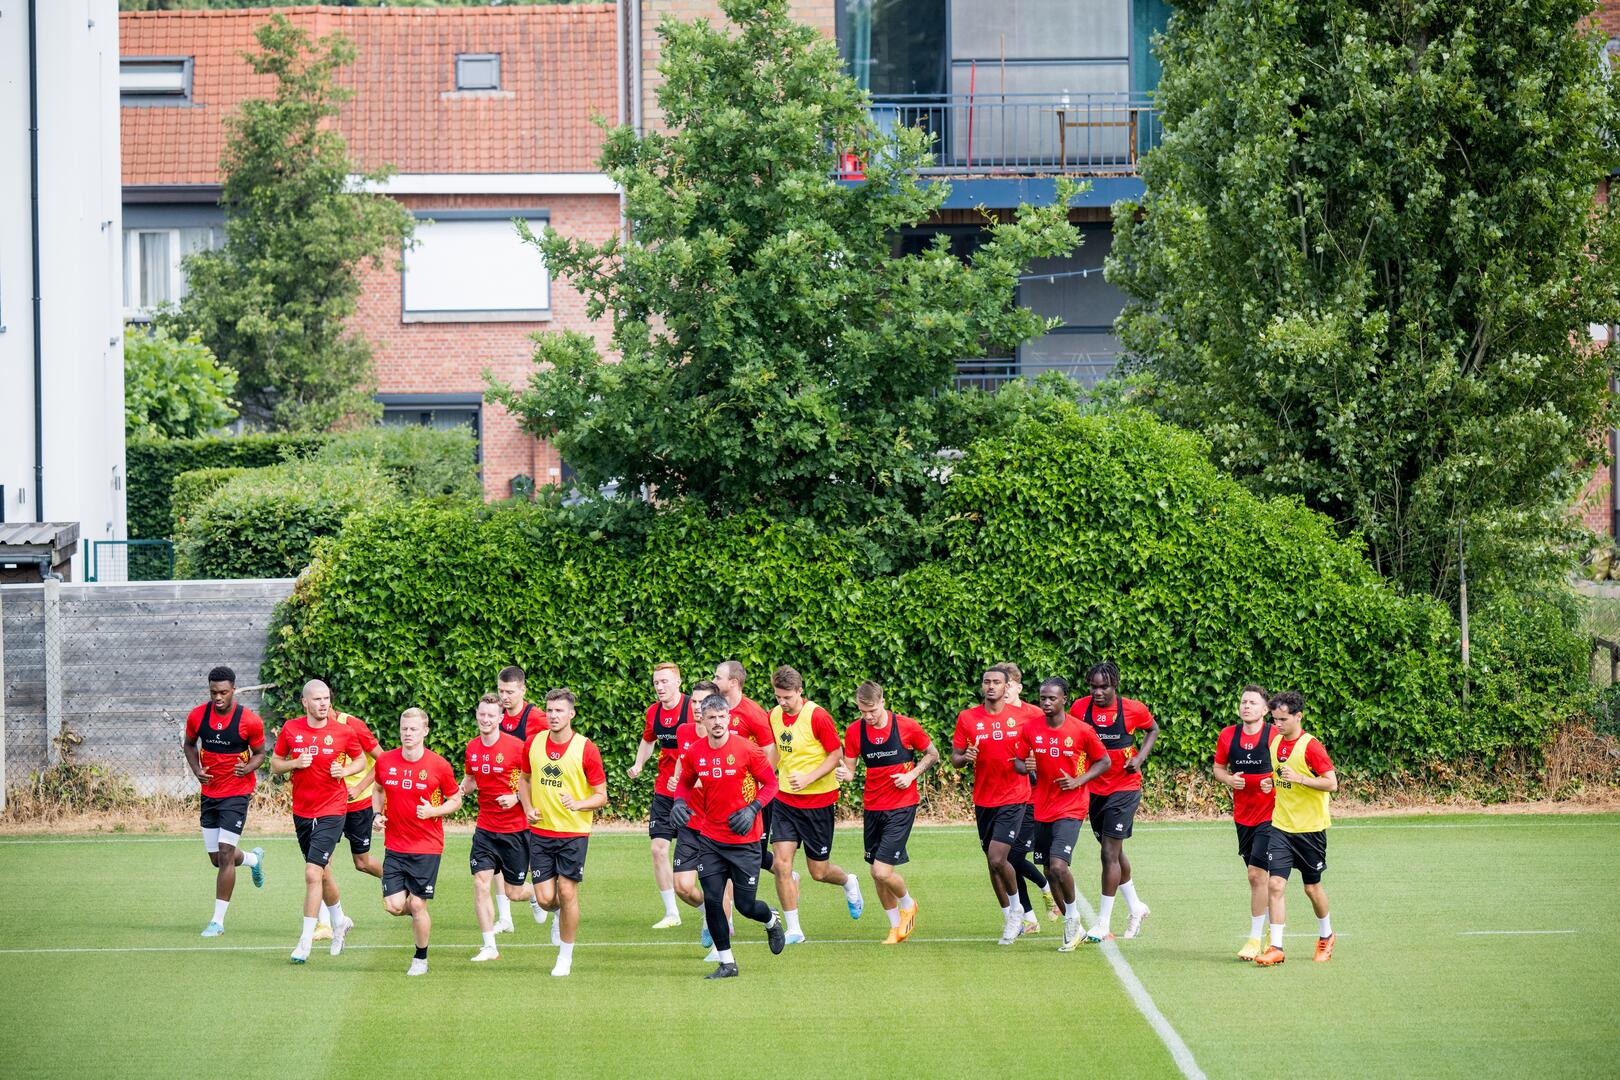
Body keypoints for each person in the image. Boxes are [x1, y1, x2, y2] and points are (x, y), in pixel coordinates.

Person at [671, 694, 787, 978]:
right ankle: (727, 962)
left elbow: (771, 783)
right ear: (704, 720)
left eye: (722, 717)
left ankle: (770, 919)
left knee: (746, 906)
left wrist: (753, 809)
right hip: (710, 839)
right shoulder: (695, 752)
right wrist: (678, 802)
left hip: (745, 841)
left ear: (728, 718)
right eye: (711, 718)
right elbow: (684, 782)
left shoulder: (747, 750)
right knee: (712, 900)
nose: (717, 722)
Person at [269, 679, 368, 964]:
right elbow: (275, 765)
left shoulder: (343, 731)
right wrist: (294, 763)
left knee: (313, 873)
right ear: (305, 702)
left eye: (326, 698)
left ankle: (304, 942)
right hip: (302, 810)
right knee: (323, 873)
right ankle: (340, 920)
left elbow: (360, 761)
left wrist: (345, 768)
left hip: (333, 809)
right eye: (317, 699)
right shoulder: (291, 729)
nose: (323, 704)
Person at [1010, 677, 1111, 951]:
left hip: (1072, 807)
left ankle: (1072, 917)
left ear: (1064, 699)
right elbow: (1018, 762)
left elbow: (1104, 760)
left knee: (1058, 866)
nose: (1046, 702)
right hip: (1041, 808)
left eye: (1052, 698)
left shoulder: (1082, 730)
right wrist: (1025, 765)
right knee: (1048, 870)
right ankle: (1073, 925)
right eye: (1042, 697)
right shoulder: (1030, 728)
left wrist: (1079, 781)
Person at [834, 681, 938, 944]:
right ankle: (895, 927)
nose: (868, 716)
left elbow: (932, 754)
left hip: (902, 806)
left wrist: (912, 775)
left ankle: (908, 904)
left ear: (882, 702)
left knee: (882, 871)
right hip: (872, 807)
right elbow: (850, 771)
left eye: (872, 710)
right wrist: (844, 774)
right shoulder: (855, 732)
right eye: (862, 711)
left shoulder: (906, 726)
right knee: (874, 872)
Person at [767, 665, 863, 944]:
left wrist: (808, 778)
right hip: (784, 801)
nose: (782, 703)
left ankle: (848, 882)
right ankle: (794, 928)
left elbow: (836, 755)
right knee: (782, 865)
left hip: (818, 803)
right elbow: (775, 750)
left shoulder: (817, 716)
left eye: (787, 697)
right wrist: (765, 780)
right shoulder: (774, 715)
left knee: (818, 871)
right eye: (778, 697)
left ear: (800, 691)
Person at [518, 688, 608, 977]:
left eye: (559, 711)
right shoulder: (533, 744)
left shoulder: (585, 748)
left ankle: (565, 956)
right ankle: (562, 914)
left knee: (567, 891)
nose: (553, 715)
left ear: (572, 714)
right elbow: (524, 779)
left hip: (573, 832)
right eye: (550, 710)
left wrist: (578, 804)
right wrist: (528, 806)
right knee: (545, 899)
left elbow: (601, 796)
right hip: (541, 832)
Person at [1069, 661, 1159, 942]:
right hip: (1093, 789)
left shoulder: (1133, 709)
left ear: (1115, 685)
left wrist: (1140, 757)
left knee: (1108, 853)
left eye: (1103, 687)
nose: (1097, 692)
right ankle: (1136, 907)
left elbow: (1152, 729)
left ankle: (1102, 922)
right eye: (1093, 687)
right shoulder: (1080, 709)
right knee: (1114, 852)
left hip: (1124, 788)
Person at [372, 708, 461, 975]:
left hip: (426, 847)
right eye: (404, 729)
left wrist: (434, 811)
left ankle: (420, 958)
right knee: (394, 906)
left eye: (413, 729)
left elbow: (455, 800)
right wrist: (376, 815)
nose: (407, 734)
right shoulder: (385, 761)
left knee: (418, 904)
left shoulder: (439, 765)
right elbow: (377, 789)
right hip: (395, 846)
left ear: (425, 731)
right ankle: (419, 913)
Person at [1255, 691, 1338, 966]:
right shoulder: (1275, 742)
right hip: (1280, 826)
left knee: (1311, 889)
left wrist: (1301, 778)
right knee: (1275, 884)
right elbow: (1281, 776)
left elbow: (1331, 783)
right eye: (1275, 719)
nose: (1277, 724)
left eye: (1282, 719)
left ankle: (1326, 936)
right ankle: (1276, 946)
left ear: (1298, 716)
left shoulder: (1312, 746)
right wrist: (1271, 782)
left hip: (1310, 830)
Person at [183, 665, 266, 937]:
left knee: (226, 853)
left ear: (234, 690)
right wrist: (197, 771)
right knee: (217, 859)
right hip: (210, 794)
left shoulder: (250, 721)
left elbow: (260, 754)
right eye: (213, 692)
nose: (218, 698)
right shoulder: (197, 716)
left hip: (237, 793)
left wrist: (249, 767)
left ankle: (217, 922)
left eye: (223, 692)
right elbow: (189, 744)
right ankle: (253, 859)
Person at [951, 665, 1032, 945]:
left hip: (1015, 796)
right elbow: (955, 758)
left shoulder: (1025, 715)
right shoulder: (968, 718)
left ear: (1007, 686)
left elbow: (1052, 732)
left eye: (997, 682)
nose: (991, 686)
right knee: (992, 862)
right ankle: (1010, 912)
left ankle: (1016, 912)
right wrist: (966, 757)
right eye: (987, 682)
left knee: (999, 857)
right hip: (984, 799)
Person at [463, 693, 542, 962]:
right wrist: (458, 790)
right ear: (477, 716)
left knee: (513, 892)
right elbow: (470, 780)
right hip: (485, 829)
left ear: (500, 718)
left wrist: (517, 797)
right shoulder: (472, 747)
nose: (485, 719)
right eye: (481, 715)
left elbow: (534, 782)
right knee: (480, 882)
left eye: (490, 715)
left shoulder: (517, 747)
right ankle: (489, 946)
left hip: (516, 830)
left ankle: (534, 895)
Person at [627, 662, 692, 929]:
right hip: (665, 790)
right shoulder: (653, 712)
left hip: (692, 792)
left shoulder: (693, 708)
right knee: (658, 849)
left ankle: (716, 906)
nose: (660, 687)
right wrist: (639, 763)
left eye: (665, 681)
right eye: (656, 682)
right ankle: (672, 913)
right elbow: (649, 739)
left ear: (678, 682)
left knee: (705, 855)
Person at [1212, 684, 1275, 960]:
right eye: (1243, 702)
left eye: (1252, 702)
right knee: (1263, 879)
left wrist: (1273, 781)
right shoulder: (1228, 735)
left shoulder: (1274, 735)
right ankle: (1276, 928)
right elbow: (1218, 769)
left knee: (1255, 875)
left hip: (1272, 816)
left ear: (1265, 710)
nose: (1246, 706)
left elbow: (1289, 768)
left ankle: (1254, 939)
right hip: (1243, 816)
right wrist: (1229, 779)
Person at [313, 702, 382, 942]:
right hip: (329, 805)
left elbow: (382, 760)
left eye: (322, 702)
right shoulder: (313, 730)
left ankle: (396, 879)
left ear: (329, 703)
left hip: (358, 803)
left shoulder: (352, 725)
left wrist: (360, 786)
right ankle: (325, 923)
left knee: (362, 863)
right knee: (320, 862)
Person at [999, 662, 1055, 933]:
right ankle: (1030, 918)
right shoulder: (992, 716)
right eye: (1000, 685)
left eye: (1007, 685)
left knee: (1015, 856)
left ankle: (1046, 888)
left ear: (1018, 687)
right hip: (1003, 798)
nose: (1003, 690)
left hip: (1032, 798)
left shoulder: (1034, 714)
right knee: (1007, 860)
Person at [714, 659, 778, 874]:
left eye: (718, 677)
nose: (714, 681)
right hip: (725, 792)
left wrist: (759, 788)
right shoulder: (715, 708)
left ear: (733, 682)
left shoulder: (752, 712)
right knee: (724, 848)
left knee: (756, 852)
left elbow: (772, 751)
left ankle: (785, 873)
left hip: (752, 794)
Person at [493, 664, 542, 932]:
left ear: (522, 689)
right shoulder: (495, 715)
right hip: (499, 800)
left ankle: (538, 896)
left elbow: (542, 763)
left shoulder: (537, 719)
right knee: (496, 859)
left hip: (528, 797)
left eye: (510, 691)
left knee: (535, 859)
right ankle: (505, 918)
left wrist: (519, 796)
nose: (505, 697)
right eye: (501, 691)